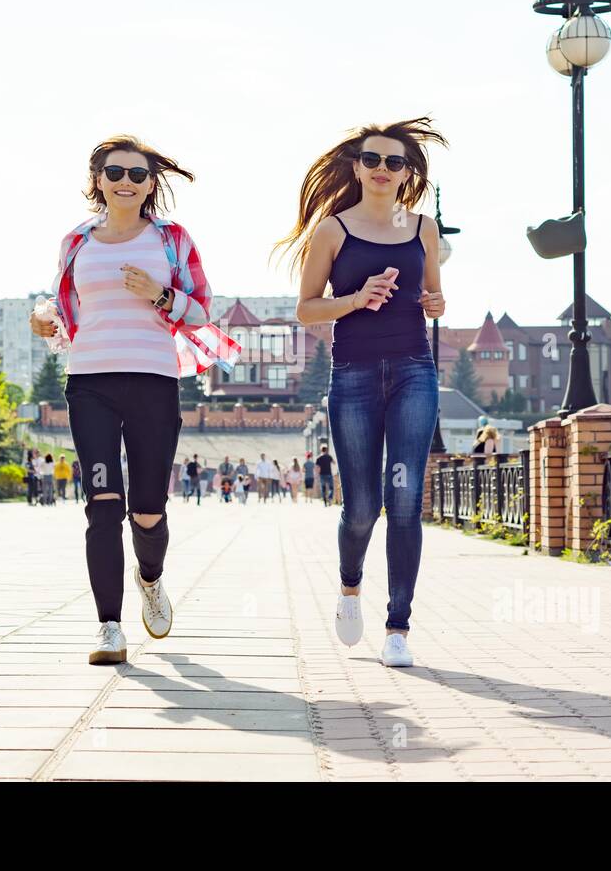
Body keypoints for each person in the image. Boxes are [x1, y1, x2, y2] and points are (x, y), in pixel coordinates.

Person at [30, 134, 240, 665]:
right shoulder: (76, 242)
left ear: (151, 184)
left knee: (147, 511)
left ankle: (150, 578)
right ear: (97, 180)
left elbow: (201, 312)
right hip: (91, 382)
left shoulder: (170, 239)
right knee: (103, 505)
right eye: (114, 172)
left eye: (137, 174)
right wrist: (42, 321)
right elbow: (60, 309)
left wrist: (160, 293)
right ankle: (108, 628)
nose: (126, 181)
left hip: (153, 380)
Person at [274, 117, 447, 669]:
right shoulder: (333, 230)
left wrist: (436, 305)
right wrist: (354, 299)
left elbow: (434, 294)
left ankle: (398, 627)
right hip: (353, 375)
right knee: (361, 508)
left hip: (414, 370)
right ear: (357, 167)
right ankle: (350, 589)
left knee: (405, 500)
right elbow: (305, 308)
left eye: (393, 162)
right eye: (371, 160)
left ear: (406, 174)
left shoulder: (422, 227)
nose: (381, 170)